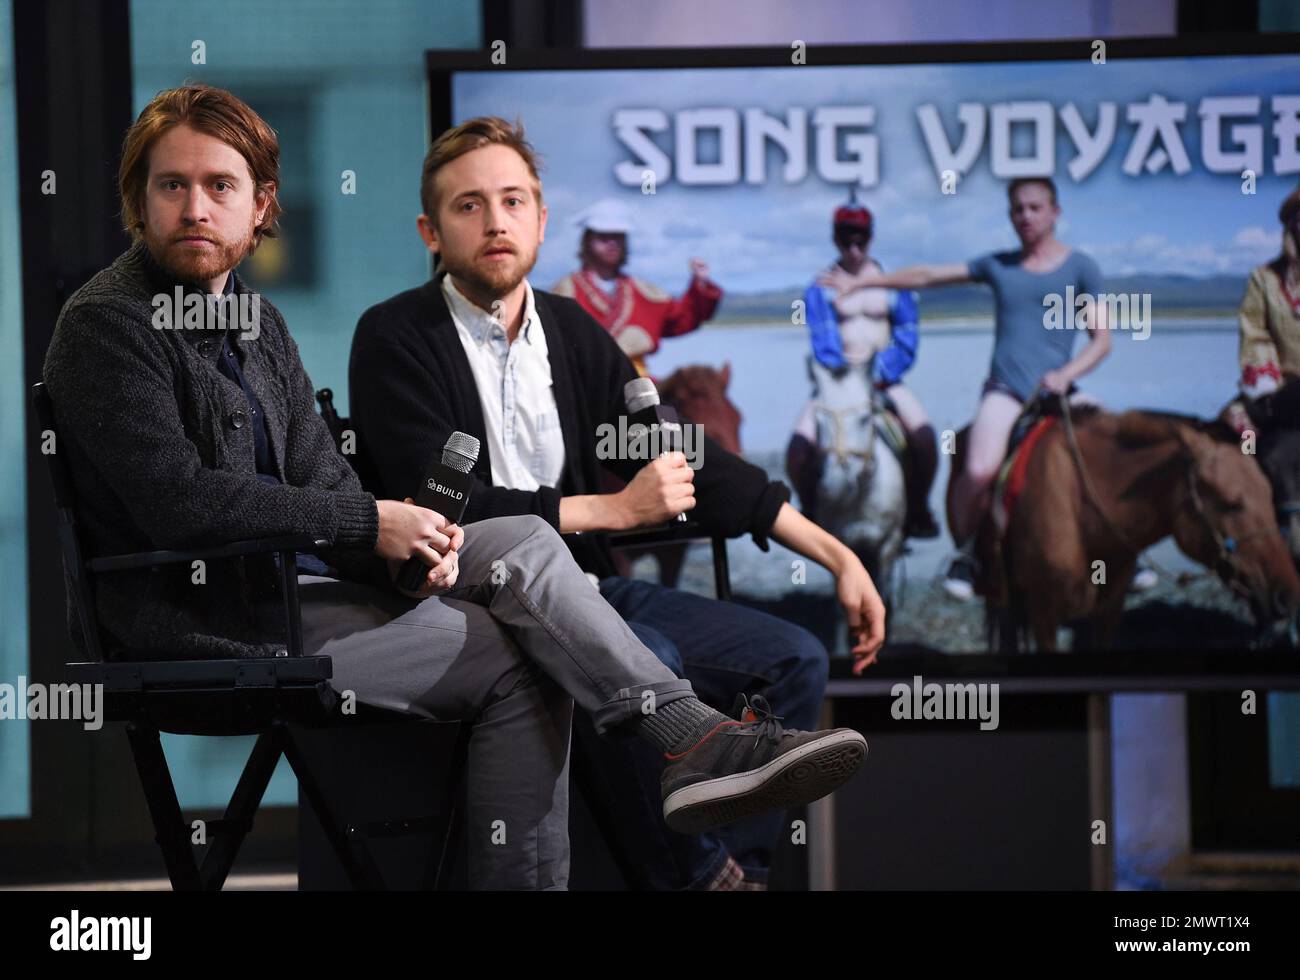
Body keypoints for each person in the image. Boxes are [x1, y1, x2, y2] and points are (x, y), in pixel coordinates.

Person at [41, 85, 868, 891]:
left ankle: (692, 743)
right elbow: (184, 505)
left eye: (219, 186)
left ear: (260, 207)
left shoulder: (258, 323)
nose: (194, 208)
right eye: (172, 186)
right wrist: (372, 524)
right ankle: (686, 753)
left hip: (294, 597)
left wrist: (406, 561)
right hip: (206, 632)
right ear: (137, 202)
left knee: (529, 547)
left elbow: (327, 482)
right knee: (529, 649)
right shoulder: (107, 323)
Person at [350, 116, 887, 890]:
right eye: (469, 206)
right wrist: (609, 512)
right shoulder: (395, 334)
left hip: (594, 585)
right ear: (431, 231)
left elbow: (682, 461)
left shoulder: (570, 330)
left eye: (512, 201)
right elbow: (445, 504)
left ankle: (743, 875)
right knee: (655, 662)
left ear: (541, 219)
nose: (495, 221)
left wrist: (835, 554)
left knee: (794, 658)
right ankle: (698, 880)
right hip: (480, 598)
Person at [821, 177, 1112, 600]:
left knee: (1112, 450)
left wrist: (1068, 374)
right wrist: (863, 284)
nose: (1025, 217)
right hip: (1007, 391)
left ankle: (1122, 553)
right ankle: (969, 554)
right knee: (977, 469)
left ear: (1055, 212)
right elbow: (928, 275)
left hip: (1063, 389)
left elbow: (1101, 340)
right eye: (1017, 209)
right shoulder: (998, 265)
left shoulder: (1081, 267)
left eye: (1034, 207)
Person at [788, 197, 939, 538]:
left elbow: (906, 337)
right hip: (837, 385)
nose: (854, 248)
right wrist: (848, 378)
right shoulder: (820, 288)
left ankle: (917, 509)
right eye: (846, 239)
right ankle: (811, 511)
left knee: (926, 439)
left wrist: (877, 373)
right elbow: (823, 342)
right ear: (835, 238)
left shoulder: (893, 285)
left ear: (871, 237)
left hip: (886, 382)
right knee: (798, 450)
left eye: (861, 239)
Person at [550, 198, 721, 376]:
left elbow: (684, 318)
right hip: (580, 386)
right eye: (603, 236)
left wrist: (700, 282)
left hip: (637, 386)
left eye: (618, 237)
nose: (612, 243)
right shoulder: (565, 292)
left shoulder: (645, 292)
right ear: (587, 241)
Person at [1225, 184, 1300, 434]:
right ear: (1292, 227)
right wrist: (1267, 385)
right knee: (1243, 441)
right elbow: (1255, 336)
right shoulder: (1264, 279)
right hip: (1280, 393)